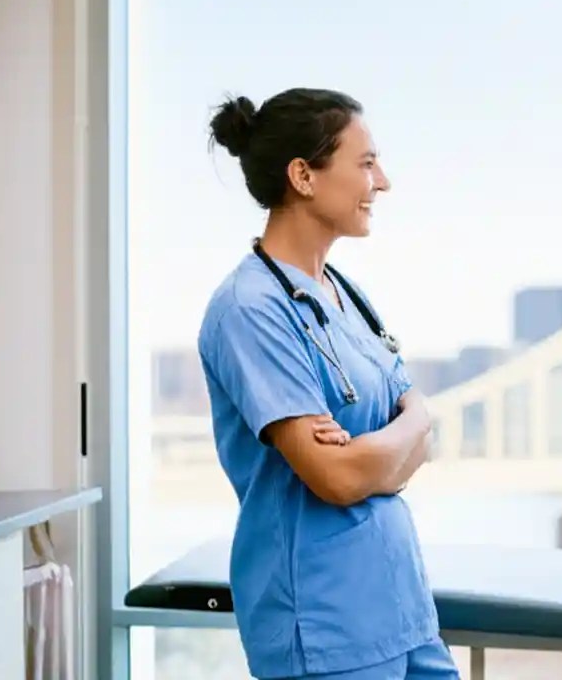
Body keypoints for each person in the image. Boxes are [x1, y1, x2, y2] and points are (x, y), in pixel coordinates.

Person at [196, 88, 460, 680]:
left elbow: (421, 432)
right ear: (303, 176)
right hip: (322, 626)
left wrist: (405, 426)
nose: (382, 182)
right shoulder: (250, 309)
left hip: (400, 609)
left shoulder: (345, 293)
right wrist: (403, 430)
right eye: (365, 163)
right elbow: (336, 477)